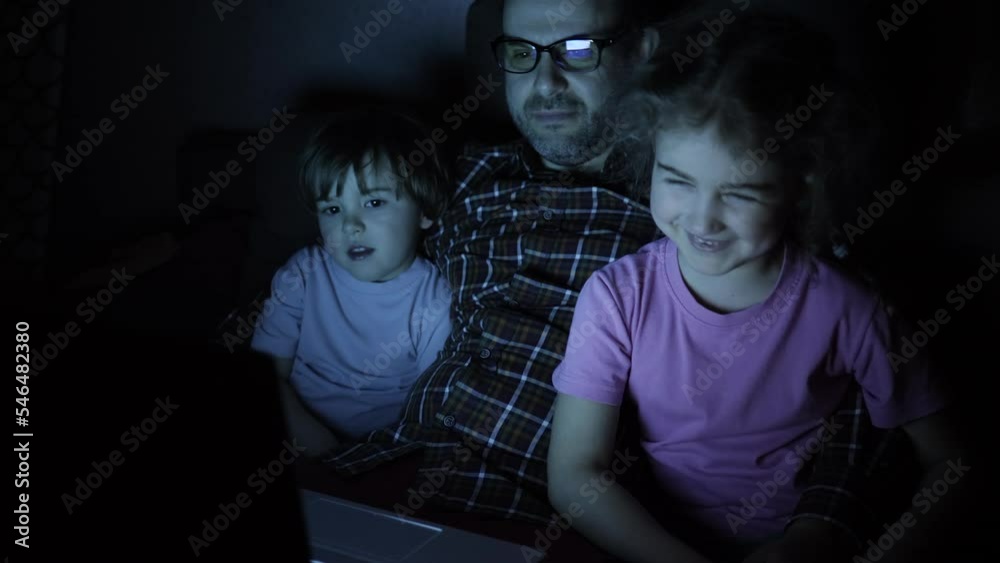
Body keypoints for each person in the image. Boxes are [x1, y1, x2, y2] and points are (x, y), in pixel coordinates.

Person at [327, 1, 926, 560]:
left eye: (577, 49)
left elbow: (836, 376)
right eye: (521, 52)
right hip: (390, 471)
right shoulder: (454, 176)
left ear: (641, 51)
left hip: (542, 518)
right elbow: (332, 244)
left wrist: (816, 529)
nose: (545, 83)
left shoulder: (705, 195)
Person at [547, 10, 972, 563]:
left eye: (740, 192)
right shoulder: (616, 298)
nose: (703, 219)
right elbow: (574, 475)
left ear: (802, 185)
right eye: (677, 180)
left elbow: (951, 462)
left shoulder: (851, 309)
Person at [250, 108, 453, 457]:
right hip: (294, 434)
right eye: (332, 209)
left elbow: (429, 408)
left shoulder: (432, 297)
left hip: (383, 454)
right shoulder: (303, 275)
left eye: (374, 202)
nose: (350, 226)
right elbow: (265, 375)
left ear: (424, 211)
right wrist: (316, 444)